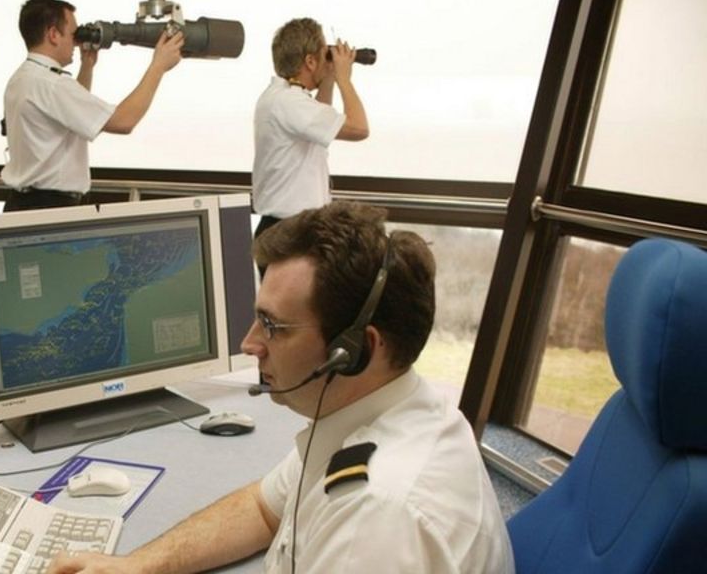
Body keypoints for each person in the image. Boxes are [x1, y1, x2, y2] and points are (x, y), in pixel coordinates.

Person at [48, 202, 514, 573]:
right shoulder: (376, 412)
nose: (249, 344)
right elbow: (263, 507)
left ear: (354, 352)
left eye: (274, 326)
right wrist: (137, 566)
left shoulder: (377, 519)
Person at [1, 0, 184, 212]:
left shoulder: (23, 78)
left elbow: (70, 117)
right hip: (50, 207)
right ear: (53, 35)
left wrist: (87, 66)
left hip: (23, 204)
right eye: (73, 34)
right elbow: (124, 121)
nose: (77, 41)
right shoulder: (51, 84)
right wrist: (158, 66)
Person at [252, 18, 369, 242]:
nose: (328, 61)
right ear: (310, 61)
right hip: (290, 231)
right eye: (325, 54)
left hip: (287, 228)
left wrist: (330, 76)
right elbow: (359, 128)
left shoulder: (284, 98)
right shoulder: (289, 102)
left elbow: (319, 122)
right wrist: (345, 79)